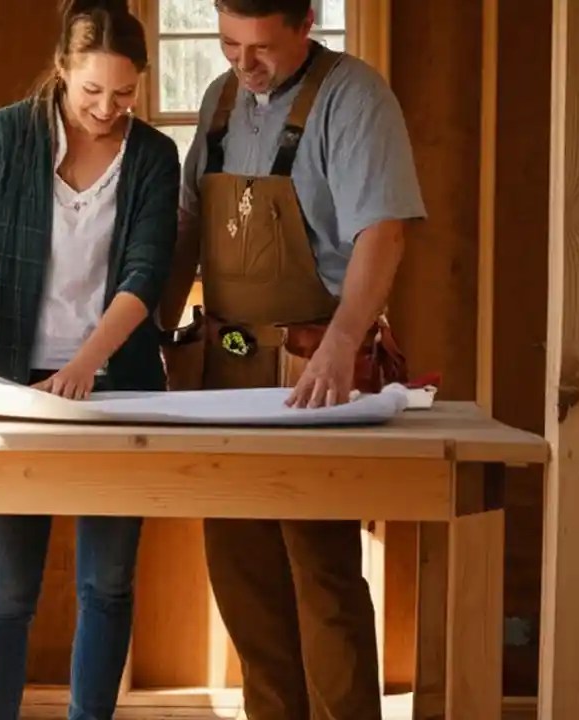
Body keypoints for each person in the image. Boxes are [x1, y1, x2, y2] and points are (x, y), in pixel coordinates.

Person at [0, 0, 180, 717]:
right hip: (6, 384)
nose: (107, 109)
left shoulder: (152, 156)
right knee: (5, 591)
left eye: (124, 93)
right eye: (91, 92)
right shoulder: (1, 137)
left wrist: (87, 363)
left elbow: (144, 275)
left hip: (117, 385)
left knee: (107, 584)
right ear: (61, 71)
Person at [156, 1, 425, 718]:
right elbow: (187, 224)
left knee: (320, 568)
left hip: (313, 366)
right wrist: (149, 332)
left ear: (308, 22)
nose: (243, 65)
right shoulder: (219, 100)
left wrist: (339, 345)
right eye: (227, 44)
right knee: (239, 569)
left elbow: (384, 234)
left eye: (262, 47)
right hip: (224, 365)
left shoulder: (355, 97)